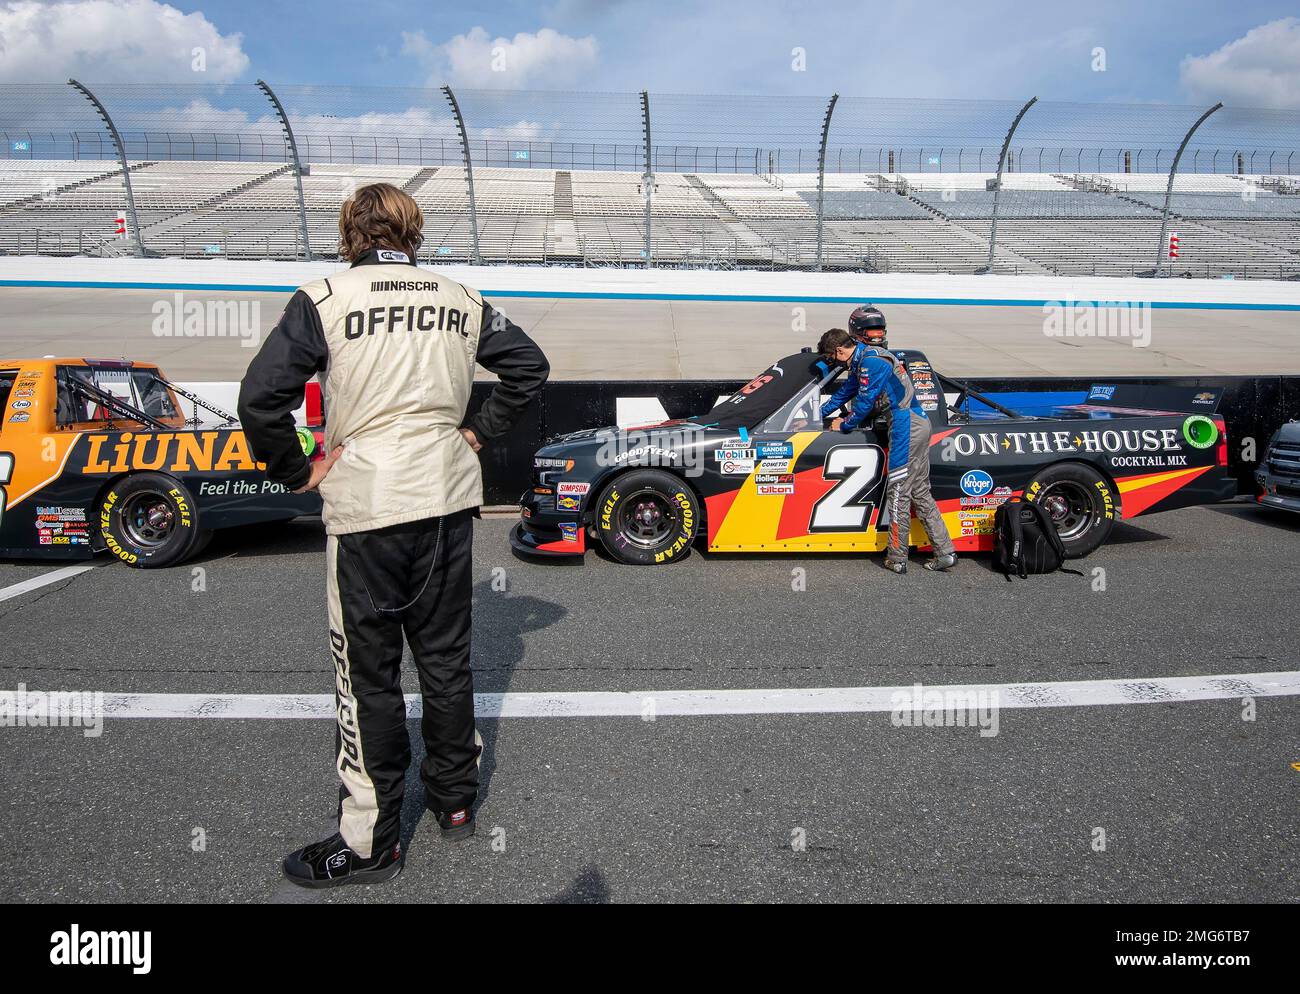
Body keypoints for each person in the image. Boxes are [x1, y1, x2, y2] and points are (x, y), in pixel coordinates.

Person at [238, 183, 549, 888]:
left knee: (366, 678)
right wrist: (476, 431)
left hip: (368, 507)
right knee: (445, 662)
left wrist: (298, 468)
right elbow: (530, 368)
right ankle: (456, 801)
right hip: (445, 498)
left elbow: (260, 400)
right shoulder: (461, 298)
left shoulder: (323, 297)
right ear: (413, 231)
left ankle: (371, 841)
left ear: (350, 232)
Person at [817, 328, 956, 575]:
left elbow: (864, 401)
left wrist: (846, 424)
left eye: (831, 357)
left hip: (906, 425)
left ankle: (897, 557)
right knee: (919, 490)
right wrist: (817, 415)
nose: (833, 362)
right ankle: (945, 552)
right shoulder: (864, 358)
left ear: (839, 350)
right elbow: (846, 392)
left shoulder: (871, 362)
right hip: (914, 422)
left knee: (899, 491)